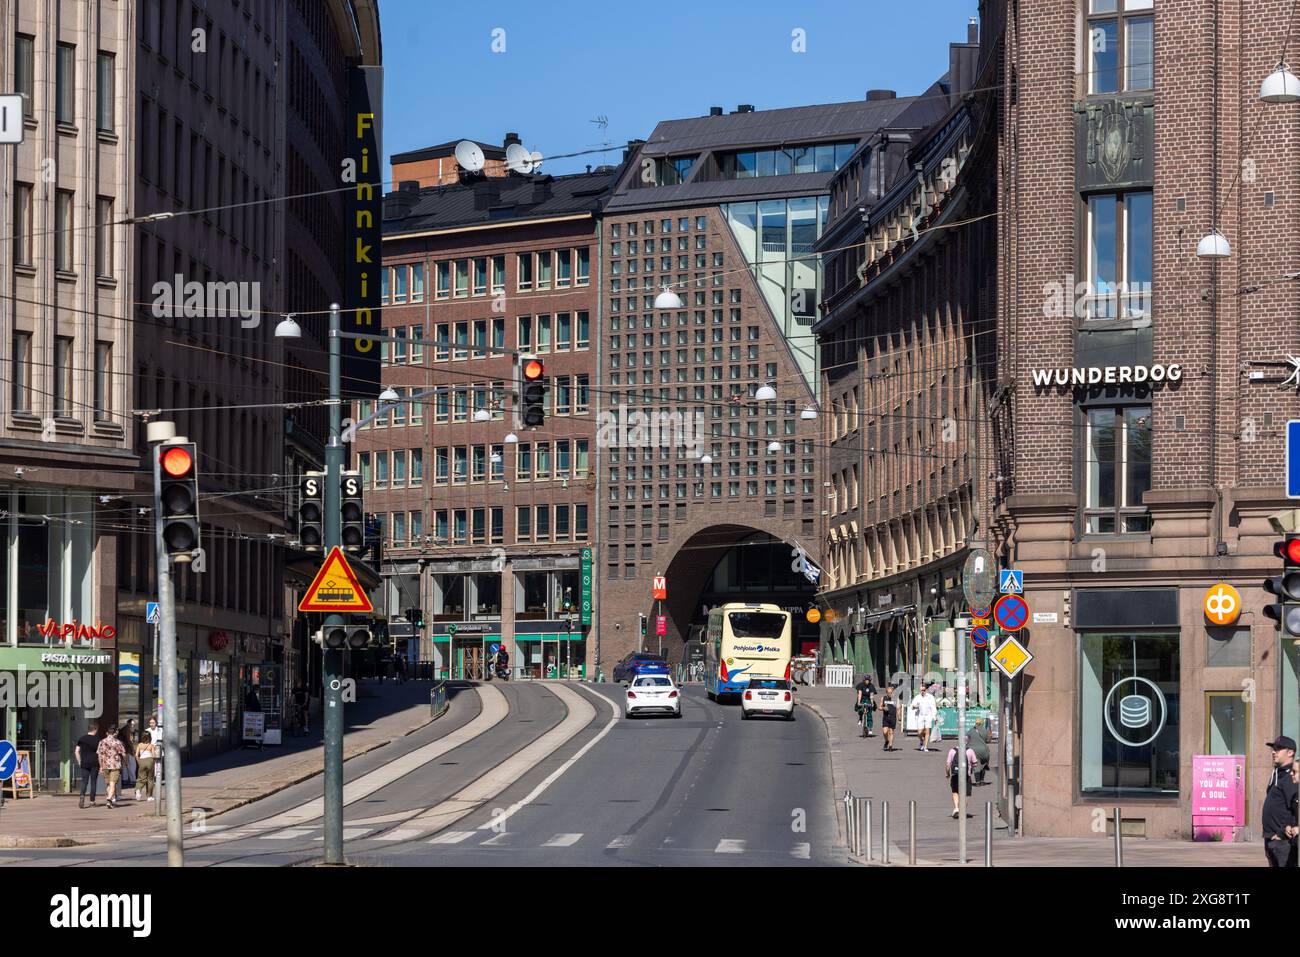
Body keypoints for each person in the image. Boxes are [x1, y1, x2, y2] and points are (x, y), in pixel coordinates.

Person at [1264, 735, 1299, 867]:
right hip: (1272, 839)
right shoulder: (1278, 774)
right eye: (1273, 748)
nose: (1274, 752)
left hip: (1282, 841)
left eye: (1278, 749)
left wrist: (1280, 833)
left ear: (1290, 752)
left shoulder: (1292, 776)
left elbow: (1294, 809)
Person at [96, 726, 127, 809]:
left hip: (105, 765)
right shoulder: (117, 742)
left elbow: (99, 755)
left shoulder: (102, 742)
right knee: (113, 783)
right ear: (115, 733)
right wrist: (125, 762)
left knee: (108, 784)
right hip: (115, 765)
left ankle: (110, 799)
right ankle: (109, 799)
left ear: (107, 733)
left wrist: (101, 766)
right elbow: (123, 754)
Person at [946, 743, 977, 818]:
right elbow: (975, 763)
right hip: (966, 776)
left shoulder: (952, 751)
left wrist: (948, 774)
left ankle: (956, 808)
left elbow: (947, 764)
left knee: (955, 792)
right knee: (965, 794)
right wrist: (970, 767)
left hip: (955, 775)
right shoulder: (970, 751)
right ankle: (962, 810)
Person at [75, 723, 101, 809]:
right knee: (93, 782)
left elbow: (76, 751)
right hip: (94, 763)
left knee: (84, 781)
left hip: (84, 763)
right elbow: (99, 753)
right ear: (95, 729)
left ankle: (82, 796)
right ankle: (92, 801)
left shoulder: (82, 739)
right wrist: (101, 764)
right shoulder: (98, 740)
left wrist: (79, 761)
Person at [911, 682, 938, 752]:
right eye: (921, 690)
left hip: (928, 716)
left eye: (924, 690)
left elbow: (933, 707)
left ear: (926, 690)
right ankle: (921, 740)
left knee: (927, 731)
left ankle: (925, 746)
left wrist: (935, 717)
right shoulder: (917, 697)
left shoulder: (930, 697)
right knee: (920, 732)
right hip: (920, 716)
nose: (922, 692)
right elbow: (912, 706)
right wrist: (915, 706)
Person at [134, 733, 157, 802]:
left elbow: (136, 755)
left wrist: (139, 762)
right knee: (150, 779)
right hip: (150, 760)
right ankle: (149, 796)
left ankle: (138, 790)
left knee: (141, 778)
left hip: (142, 761)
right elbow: (153, 755)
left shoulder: (139, 745)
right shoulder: (151, 745)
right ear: (149, 737)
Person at [969, 717, 992, 785]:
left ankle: (977, 781)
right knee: (984, 764)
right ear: (982, 723)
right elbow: (988, 740)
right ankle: (982, 780)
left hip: (972, 751)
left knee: (975, 765)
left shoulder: (970, 731)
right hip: (983, 750)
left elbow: (965, 740)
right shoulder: (985, 730)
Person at [879, 685, 899, 752]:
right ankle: (887, 741)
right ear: (886, 693)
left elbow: (898, 708)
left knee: (891, 732)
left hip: (893, 717)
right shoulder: (883, 698)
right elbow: (879, 707)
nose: (890, 694)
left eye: (891, 693)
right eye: (889, 693)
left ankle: (890, 746)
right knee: (885, 732)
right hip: (886, 717)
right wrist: (883, 708)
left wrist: (899, 718)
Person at [119, 718, 137, 793]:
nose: (133, 725)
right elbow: (129, 740)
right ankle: (132, 780)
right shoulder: (127, 729)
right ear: (128, 723)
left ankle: (125, 779)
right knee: (132, 765)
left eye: (134, 724)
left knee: (125, 765)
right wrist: (133, 749)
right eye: (132, 724)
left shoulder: (125, 729)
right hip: (127, 750)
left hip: (124, 750)